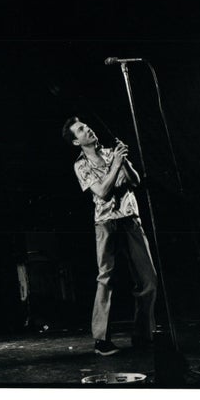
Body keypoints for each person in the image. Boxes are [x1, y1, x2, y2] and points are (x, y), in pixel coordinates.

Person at [62, 117, 158, 356]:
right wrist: (115, 165)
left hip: (130, 219)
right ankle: (101, 340)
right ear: (76, 141)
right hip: (105, 224)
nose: (88, 129)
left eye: (87, 125)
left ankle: (143, 335)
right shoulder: (80, 165)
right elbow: (103, 192)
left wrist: (123, 160)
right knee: (106, 278)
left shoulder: (110, 152)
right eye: (81, 129)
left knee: (149, 279)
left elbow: (135, 181)